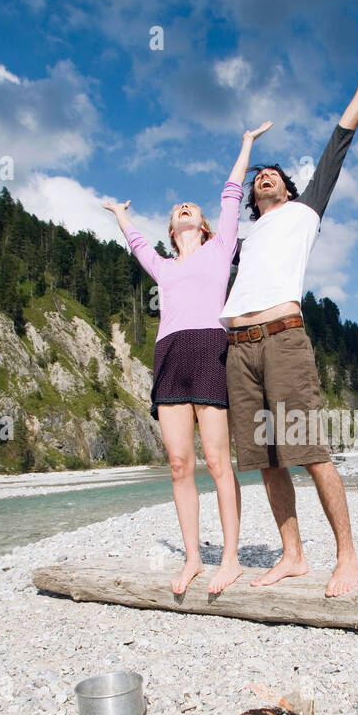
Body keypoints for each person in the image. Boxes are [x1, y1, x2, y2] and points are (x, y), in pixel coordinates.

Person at [222, 31, 358, 597]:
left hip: (282, 340)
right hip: (238, 348)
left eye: (271, 174)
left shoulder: (305, 211)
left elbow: (340, 139)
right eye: (257, 179)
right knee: (266, 460)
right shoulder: (244, 236)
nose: (263, 178)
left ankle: (347, 557)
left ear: (289, 187)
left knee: (308, 450)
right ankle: (293, 555)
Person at [103, 121, 272, 595]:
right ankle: (194, 558)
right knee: (180, 464)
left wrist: (245, 145)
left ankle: (232, 558)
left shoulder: (220, 249)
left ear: (202, 225)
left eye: (192, 208)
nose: (184, 207)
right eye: (178, 209)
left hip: (209, 349)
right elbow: (135, 243)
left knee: (218, 461)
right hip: (169, 355)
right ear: (173, 228)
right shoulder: (162, 265)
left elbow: (230, 193)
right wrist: (119, 213)